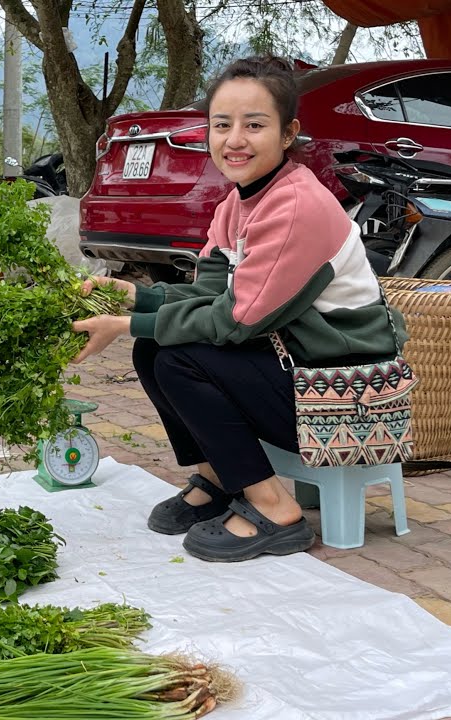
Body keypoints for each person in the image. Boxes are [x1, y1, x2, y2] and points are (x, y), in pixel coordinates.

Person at [72, 57, 406, 563]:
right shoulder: (238, 203)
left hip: (341, 394)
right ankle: (219, 478)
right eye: (221, 125)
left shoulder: (295, 207)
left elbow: (236, 321)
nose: (235, 140)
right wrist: (133, 298)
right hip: (296, 368)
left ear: (288, 132)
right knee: (153, 348)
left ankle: (276, 510)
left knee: (179, 358)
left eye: (254, 125)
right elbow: (210, 293)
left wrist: (123, 324)